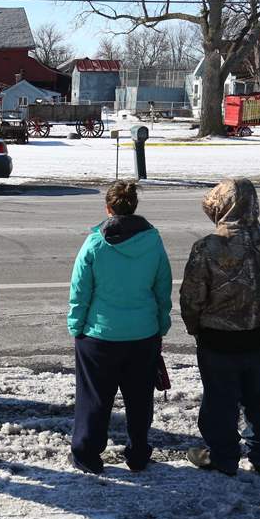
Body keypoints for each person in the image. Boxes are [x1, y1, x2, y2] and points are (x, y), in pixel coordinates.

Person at [180, 178, 260, 476]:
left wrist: (196, 328)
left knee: (220, 402)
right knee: (258, 399)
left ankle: (224, 456)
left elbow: (191, 299)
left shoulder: (208, 247)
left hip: (219, 342)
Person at [67, 181, 172, 475]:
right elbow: (162, 288)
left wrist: (76, 326)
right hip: (142, 334)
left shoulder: (95, 243)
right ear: (134, 206)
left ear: (108, 208)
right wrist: (161, 324)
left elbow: (80, 291)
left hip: (99, 336)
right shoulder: (153, 241)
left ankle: (88, 454)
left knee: (95, 399)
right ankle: (138, 453)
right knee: (139, 399)